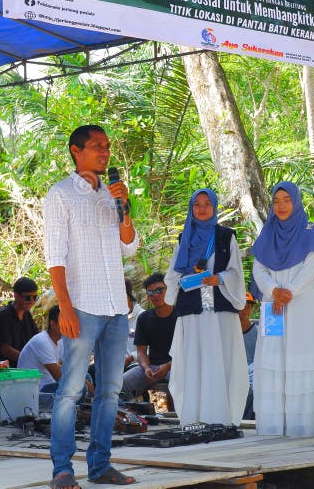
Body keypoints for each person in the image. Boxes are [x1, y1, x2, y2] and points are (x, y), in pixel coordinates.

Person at [43, 124, 139, 488]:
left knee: (111, 391)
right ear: (75, 150)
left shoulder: (111, 195)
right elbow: (55, 258)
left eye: (107, 147)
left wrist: (124, 209)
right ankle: (63, 471)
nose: (105, 152)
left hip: (116, 306)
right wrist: (64, 309)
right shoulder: (61, 195)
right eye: (97, 146)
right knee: (71, 390)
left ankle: (100, 467)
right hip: (82, 306)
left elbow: (130, 246)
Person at [251, 181, 314, 437]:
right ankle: (275, 426)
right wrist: (274, 291)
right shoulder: (267, 232)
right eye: (277, 201)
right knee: (273, 358)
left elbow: (313, 265)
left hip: (302, 305)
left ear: (296, 202)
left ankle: (302, 426)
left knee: (301, 356)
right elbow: (258, 269)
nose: (281, 205)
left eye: (287, 200)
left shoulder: (310, 231)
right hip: (272, 304)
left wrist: (289, 292)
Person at [165, 189, 248, 426]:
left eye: (207, 204)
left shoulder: (225, 236)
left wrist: (219, 278)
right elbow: (173, 274)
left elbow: (236, 272)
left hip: (220, 312)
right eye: (197, 205)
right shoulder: (184, 239)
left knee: (222, 361)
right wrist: (181, 284)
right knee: (194, 362)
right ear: (191, 209)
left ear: (214, 207)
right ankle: (194, 417)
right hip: (193, 313)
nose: (202, 209)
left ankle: (222, 418)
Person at [120, 272, 177, 401]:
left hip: (177, 366)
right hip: (151, 366)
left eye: (159, 290)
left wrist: (168, 366)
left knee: (186, 382)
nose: (155, 295)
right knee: (121, 384)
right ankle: (135, 417)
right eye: (150, 292)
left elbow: (189, 352)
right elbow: (141, 351)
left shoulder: (181, 316)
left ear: (168, 289)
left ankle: (184, 419)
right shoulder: (144, 318)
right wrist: (146, 368)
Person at [0, 277, 40, 367]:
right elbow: (5, 349)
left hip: (24, 367)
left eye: (35, 297)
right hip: (7, 370)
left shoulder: (27, 315)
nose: (32, 301)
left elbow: (36, 339)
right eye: (28, 298)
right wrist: (29, 360)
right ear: (16, 295)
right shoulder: (4, 316)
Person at [240, 293, 258, 420]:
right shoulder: (229, 332)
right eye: (241, 306)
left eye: (248, 306)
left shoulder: (257, 332)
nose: (245, 310)